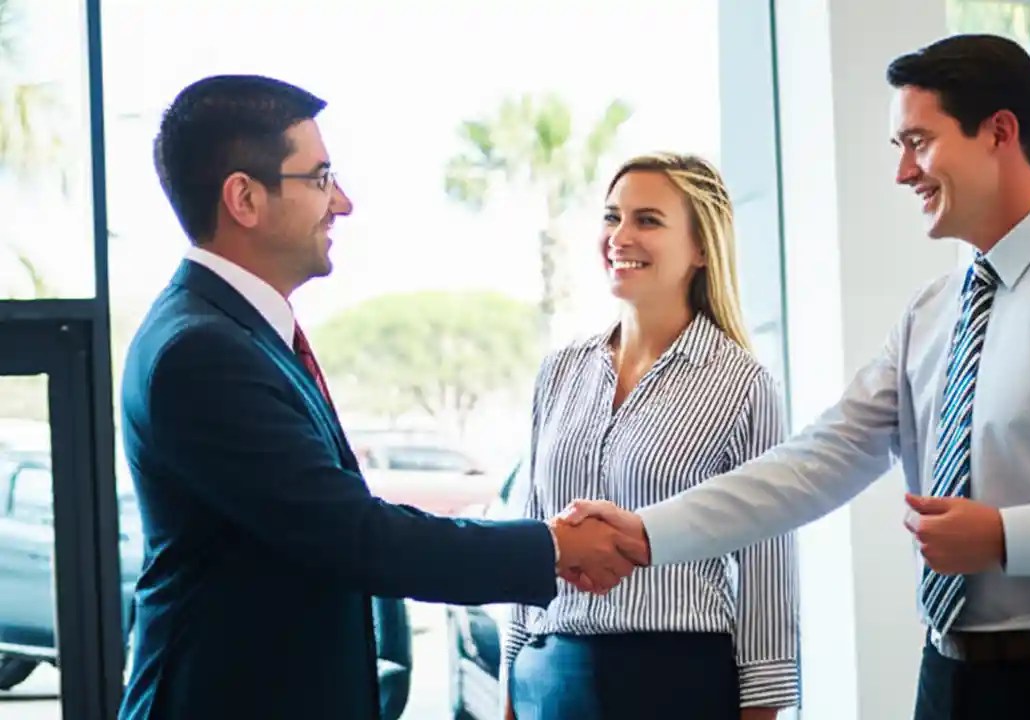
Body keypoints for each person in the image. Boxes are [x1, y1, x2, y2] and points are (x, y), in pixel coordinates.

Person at [559, 34, 1030, 720]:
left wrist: (1005, 537)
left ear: (999, 132)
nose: (903, 172)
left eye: (918, 142)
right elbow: (816, 461)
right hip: (945, 678)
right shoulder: (932, 312)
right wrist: (645, 534)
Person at [117, 74, 644, 720]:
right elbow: (357, 536)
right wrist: (554, 547)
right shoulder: (199, 353)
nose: (342, 203)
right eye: (319, 178)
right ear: (244, 198)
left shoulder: (233, 334)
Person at [501, 153, 799, 720]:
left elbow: (767, 572)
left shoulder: (744, 386)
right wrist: (511, 685)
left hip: (674, 681)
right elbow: (533, 535)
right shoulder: (560, 371)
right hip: (550, 678)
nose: (620, 236)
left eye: (647, 220)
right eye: (612, 217)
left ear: (702, 249)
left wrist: (761, 709)